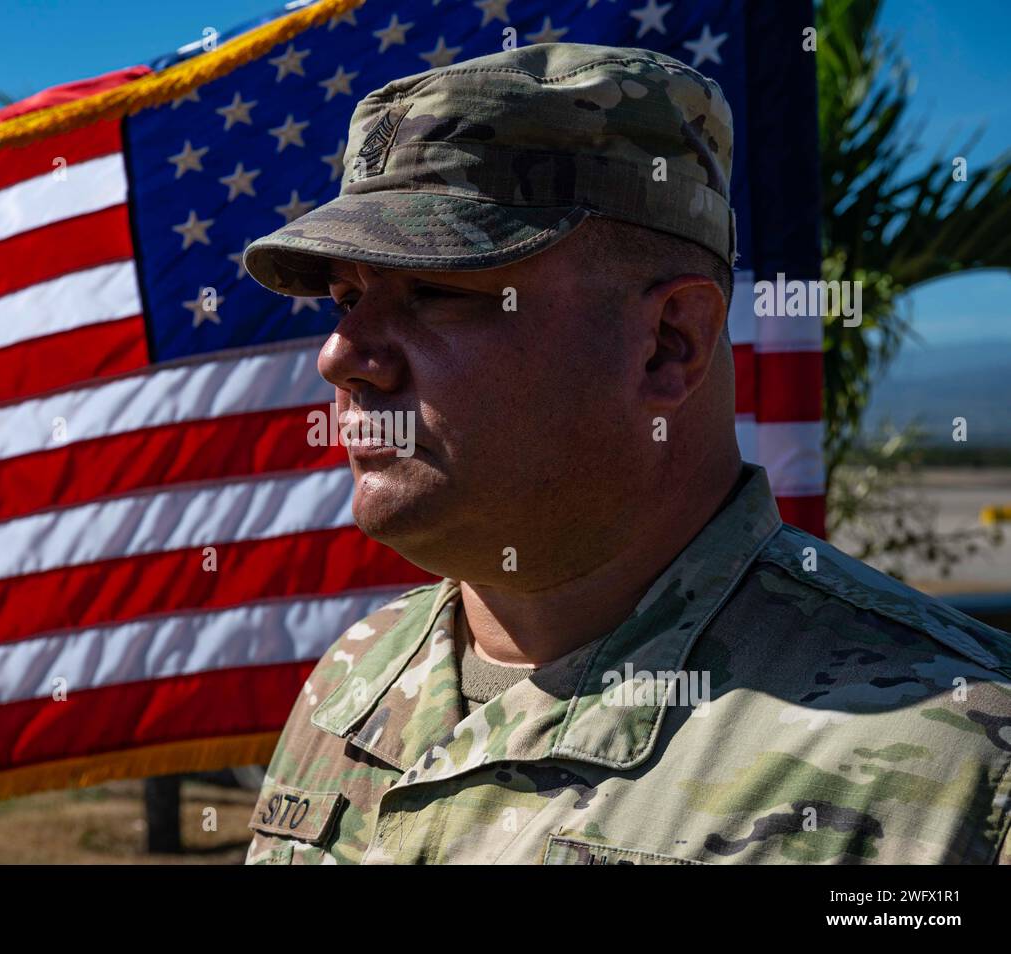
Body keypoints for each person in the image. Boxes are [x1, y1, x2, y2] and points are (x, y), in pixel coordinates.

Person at [237, 42, 1011, 864]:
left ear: (668, 345)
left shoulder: (963, 768)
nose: (341, 355)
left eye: (435, 290)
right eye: (348, 298)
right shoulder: (353, 682)